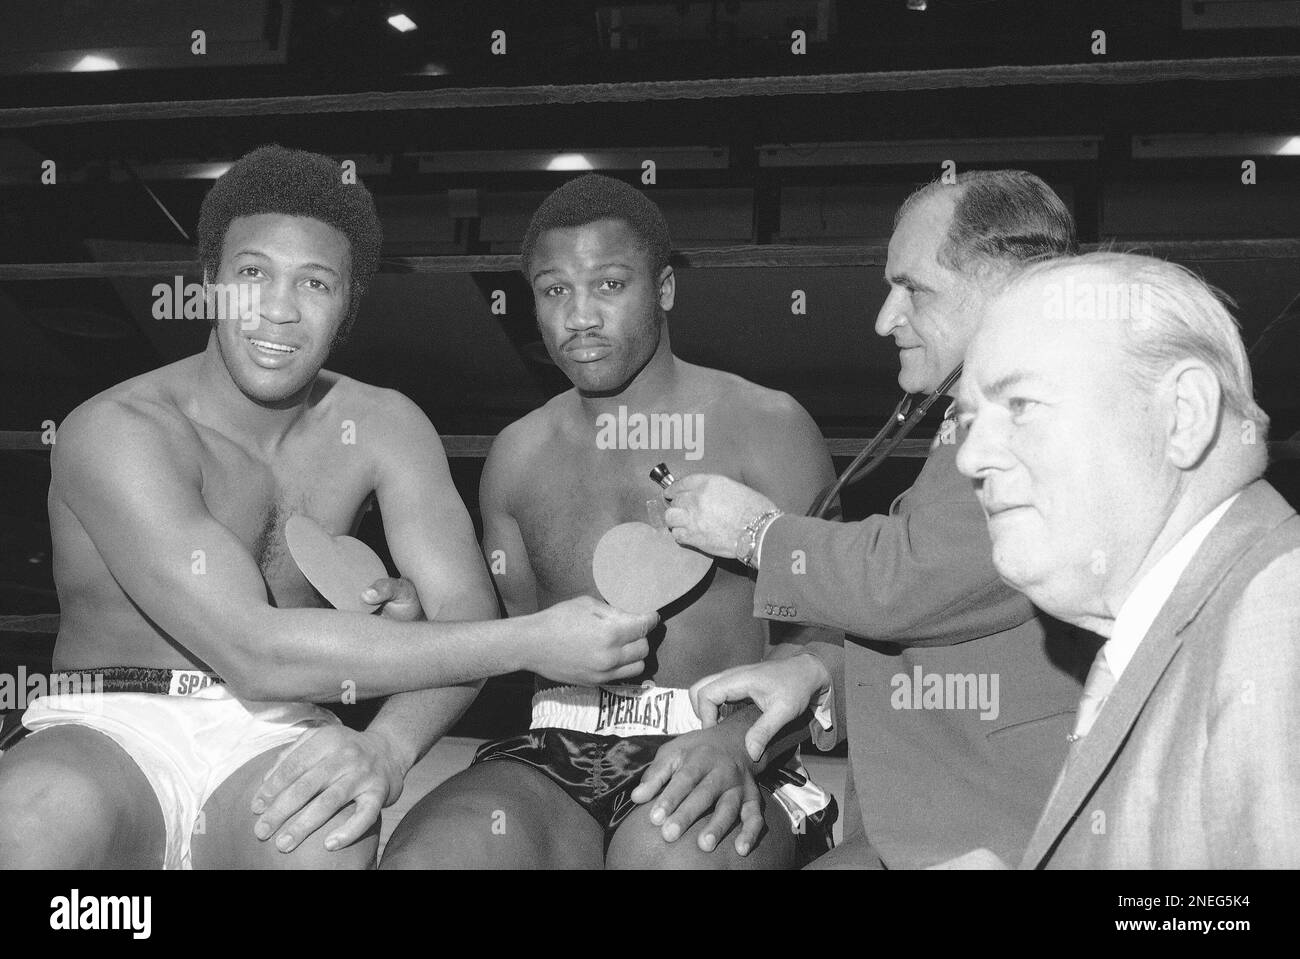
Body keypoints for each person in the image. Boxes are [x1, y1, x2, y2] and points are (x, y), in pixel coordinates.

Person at [0, 146, 655, 870]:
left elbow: (463, 613)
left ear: (348, 305)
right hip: (113, 722)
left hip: (278, 732)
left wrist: (387, 744)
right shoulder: (118, 429)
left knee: (328, 839)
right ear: (210, 280)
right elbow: (252, 649)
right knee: (33, 826)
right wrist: (533, 639)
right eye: (253, 273)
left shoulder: (384, 424)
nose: (278, 309)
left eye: (315, 282)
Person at [381, 173, 840, 869]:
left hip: (723, 738)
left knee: (671, 859)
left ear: (663, 290)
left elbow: (828, 634)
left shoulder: (765, 426)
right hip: (553, 747)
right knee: (431, 860)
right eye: (555, 289)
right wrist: (417, 626)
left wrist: (741, 738)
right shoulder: (517, 454)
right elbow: (512, 639)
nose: (580, 317)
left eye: (609, 285)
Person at [663, 170, 1095, 868]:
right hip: (942, 807)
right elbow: (969, 611)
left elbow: (912, 577)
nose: (885, 317)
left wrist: (755, 534)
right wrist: (818, 670)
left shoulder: (1045, 412)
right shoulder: (993, 405)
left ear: (1010, 285)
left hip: (1013, 828)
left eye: (914, 288)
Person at [949, 252, 1299, 868]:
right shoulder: (1198, 619)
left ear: (1183, 415)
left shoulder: (1279, 616)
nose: (969, 457)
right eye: (969, 419)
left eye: (1021, 405)